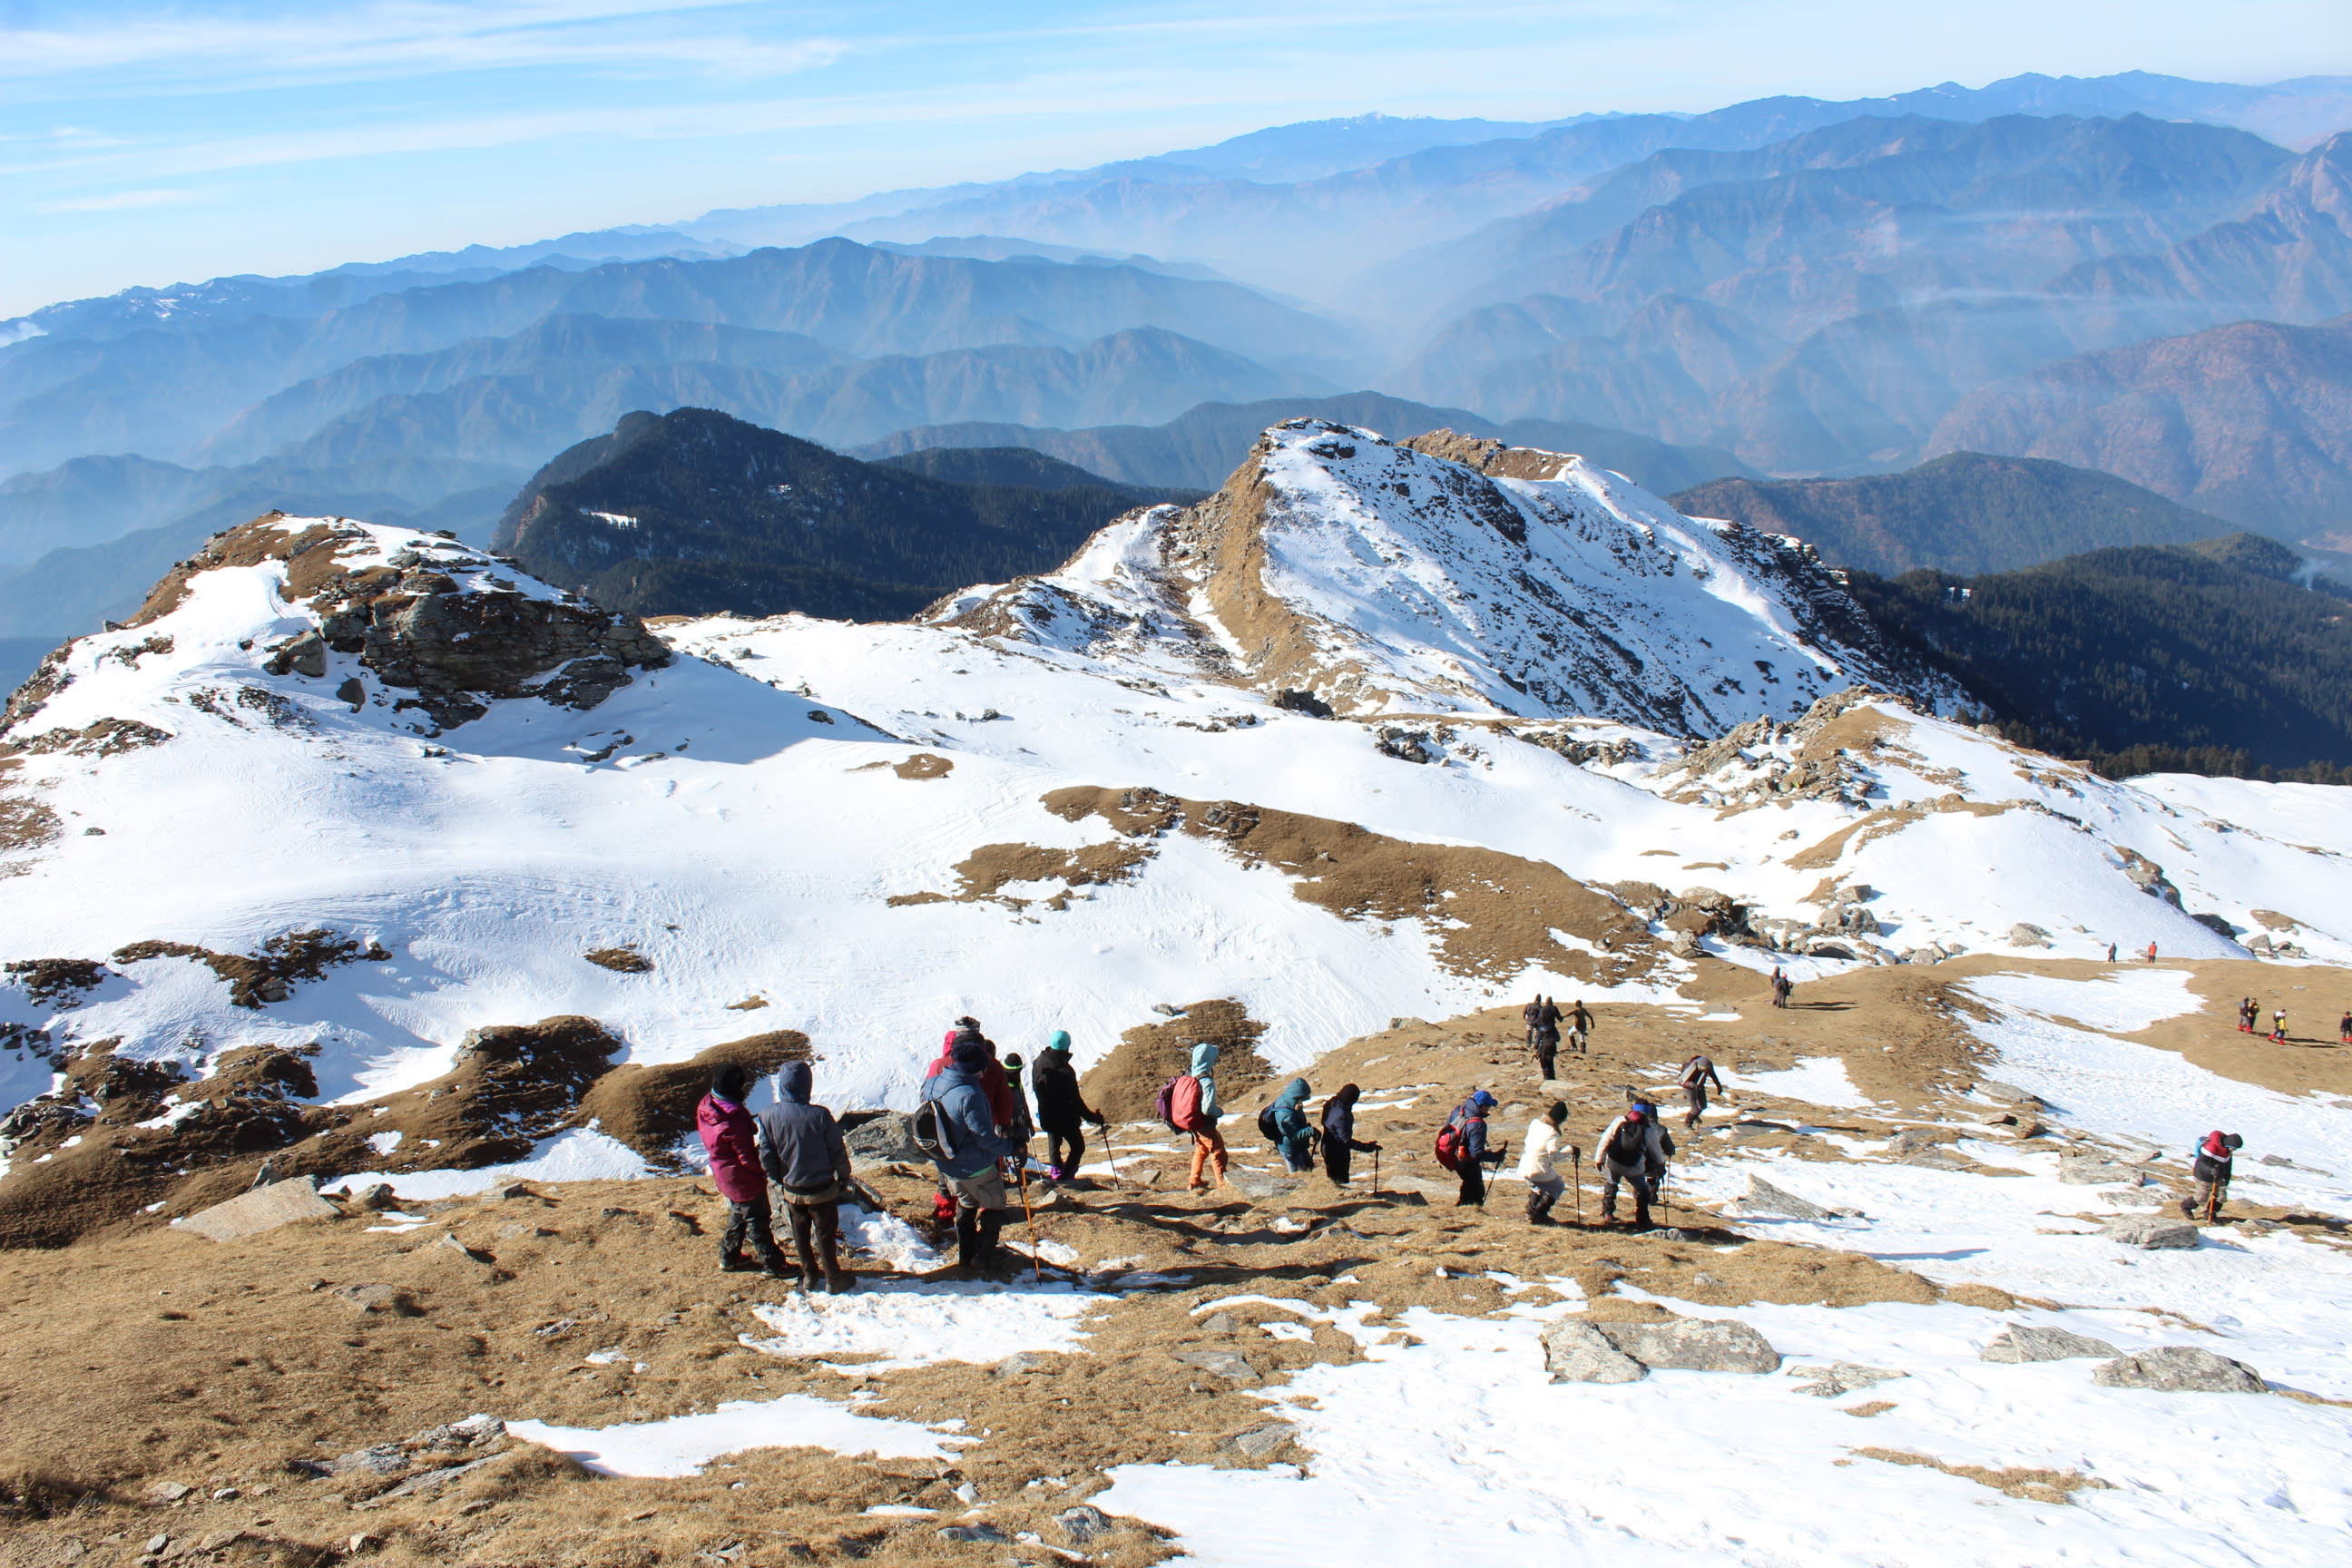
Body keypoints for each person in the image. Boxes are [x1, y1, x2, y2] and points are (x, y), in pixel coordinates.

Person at [754, 1061, 854, 1292]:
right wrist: (844, 1177)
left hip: (792, 1188)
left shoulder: (768, 1115)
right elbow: (837, 1151)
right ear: (806, 1085)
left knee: (800, 1233)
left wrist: (779, 1178)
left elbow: (766, 1155)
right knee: (825, 1234)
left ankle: (809, 1276)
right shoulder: (820, 1115)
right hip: (822, 1189)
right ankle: (833, 1278)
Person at [920, 1038, 1018, 1273]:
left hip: (947, 1163)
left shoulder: (931, 1084)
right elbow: (983, 1136)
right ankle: (982, 1257)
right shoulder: (970, 1094)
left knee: (965, 1203)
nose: (984, 1073)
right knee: (993, 1206)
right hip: (977, 1165)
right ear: (975, 1067)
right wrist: (1011, 1148)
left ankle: (965, 1256)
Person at [698, 1064, 789, 1277]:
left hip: (723, 1172)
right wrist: (760, 1173)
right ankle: (773, 1264)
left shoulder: (708, 1104)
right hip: (742, 1177)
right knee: (758, 1219)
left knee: (739, 1212)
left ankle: (728, 1257)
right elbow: (745, 1155)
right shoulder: (733, 1118)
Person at [1029, 1031, 1107, 1182]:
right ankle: (1068, 1175)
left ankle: (1056, 1175)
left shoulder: (1038, 1062)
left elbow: (1035, 1086)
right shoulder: (1065, 1071)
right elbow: (1075, 1100)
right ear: (1066, 1047)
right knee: (1078, 1146)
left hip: (1047, 1114)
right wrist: (1092, 1117)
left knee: (1054, 1145)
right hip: (1066, 1118)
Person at [1592, 1100, 1675, 1229]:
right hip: (1634, 1166)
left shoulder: (1620, 1121)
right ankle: (1642, 1219)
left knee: (1612, 1183)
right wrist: (1661, 1163)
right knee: (1642, 1189)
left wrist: (1599, 1159)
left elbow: (1606, 1139)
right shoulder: (1648, 1129)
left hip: (1614, 1161)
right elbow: (1655, 1151)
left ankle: (1607, 1213)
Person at [1182, 1041, 1230, 1191]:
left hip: (1194, 1122)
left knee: (1201, 1150)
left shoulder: (1190, 1076)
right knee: (1218, 1151)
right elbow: (1208, 1109)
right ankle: (1223, 1186)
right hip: (1205, 1124)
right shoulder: (1206, 1081)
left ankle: (1194, 1181)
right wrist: (1219, 1112)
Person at [1446, 1090, 1506, 1207]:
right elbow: (1476, 1154)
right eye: (1488, 1106)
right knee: (1475, 1188)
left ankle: (1463, 1207)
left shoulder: (1459, 1110)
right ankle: (1470, 1210)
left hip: (1453, 1155)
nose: (1489, 1109)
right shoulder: (1478, 1124)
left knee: (1468, 1183)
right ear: (1482, 1106)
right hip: (1467, 1160)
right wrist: (1496, 1156)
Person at [1516, 1101, 1571, 1225]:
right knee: (1557, 1187)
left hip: (1524, 1165)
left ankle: (1530, 1212)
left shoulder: (1535, 1123)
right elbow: (1555, 1156)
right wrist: (1569, 1150)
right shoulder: (1552, 1134)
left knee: (1538, 1187)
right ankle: (1539, 1214)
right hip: (1538, 1168)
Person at [1318, 1083, 1380, 1186]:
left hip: (1327, 1146)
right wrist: (1365, 1147)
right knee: (1340, 1182)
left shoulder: (1333, 1103)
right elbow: (1345, 1140)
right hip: (1337, 1151)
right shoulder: (1341, 1114)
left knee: (1334, 1180)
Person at [2183, 1130, 2241, 1220]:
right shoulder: (2211, 1147)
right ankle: (2186, 1207)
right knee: (2202, 1197)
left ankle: (2210, 1214)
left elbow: (2228, 1166)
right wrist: (2211, 1169)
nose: (2234, 1150)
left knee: (2221, 1197)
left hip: (2219, 1175)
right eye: (2233, 1148)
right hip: (2203, 1175)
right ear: (2229, 1144)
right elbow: (2201, 1162)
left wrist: (2226, 1178)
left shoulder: (2228, 1152)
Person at [1269, 1078, 1317, 1172]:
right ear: (1298, 1096)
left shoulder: (1291, 1102)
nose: (1302, 1102)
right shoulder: (1285, 1112)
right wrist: (1311, 1131)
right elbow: (1292, 1135)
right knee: (1298, 1177)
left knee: (1307, 1168)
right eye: (1302, 1099)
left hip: (1298, 1146)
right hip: (1290, 1149)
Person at [1677, 1053, 1727, 1130]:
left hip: (1699, 1087)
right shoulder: (1689, 1066)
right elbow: (1681, 1081)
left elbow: (1713, 1075)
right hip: (1689, 1089)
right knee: (1695, 1109)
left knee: (1703, 1106)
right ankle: (1688, 1124)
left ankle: (1694, 1116)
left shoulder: (1708, 1065)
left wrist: (1718, 1086)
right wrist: (1691, 1084)